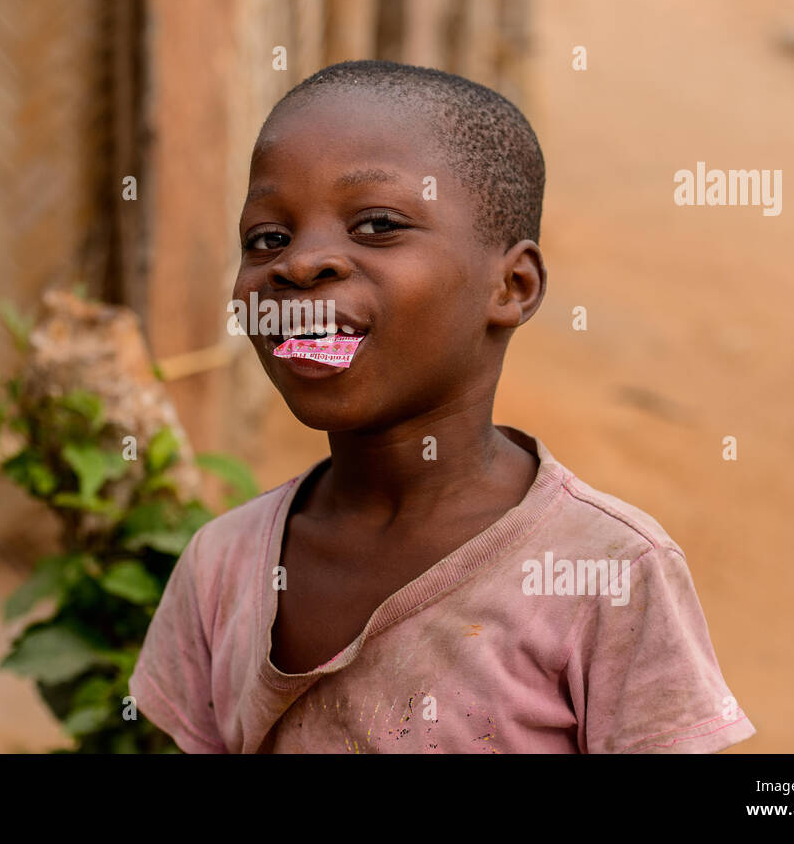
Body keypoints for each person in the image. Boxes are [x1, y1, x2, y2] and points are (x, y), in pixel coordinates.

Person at [129, 60, 755, 753]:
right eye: (268, 238)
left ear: (512, 285)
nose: (299, 265)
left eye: (376, 224)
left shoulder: (607, 570)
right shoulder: (223, 564)